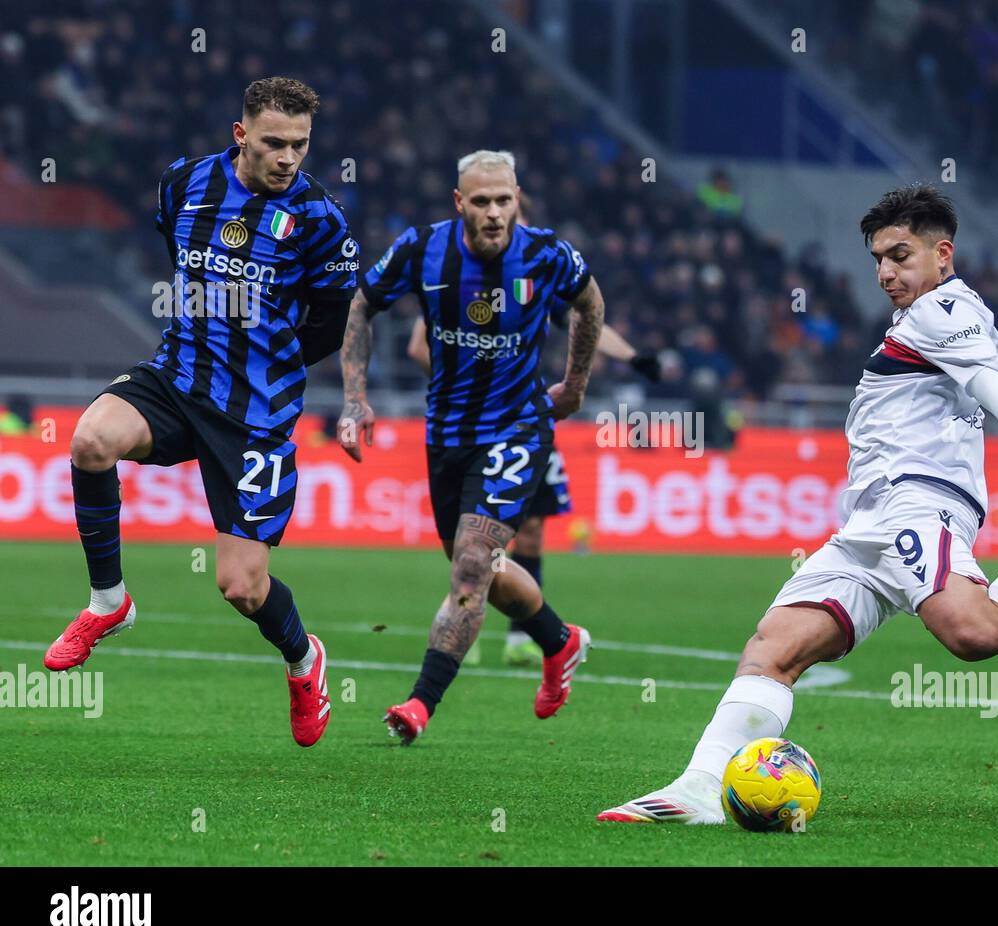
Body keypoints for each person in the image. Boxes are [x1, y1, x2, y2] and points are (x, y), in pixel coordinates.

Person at [598, 185, 998, 824]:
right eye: (878, 259)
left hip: (918, 503)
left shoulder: (945, 308)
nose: (886, 272)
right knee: (773, 649)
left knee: (975, 633)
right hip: (867, 522)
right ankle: (699, 789)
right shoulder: (917, 322)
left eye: (900, 255)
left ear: (943, 255)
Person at [46, 77, 356, 747]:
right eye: (274, 143)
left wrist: (267, 364)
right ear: (241, 134)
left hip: (256, 416)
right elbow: (183, 262)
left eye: (300, 146)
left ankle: (304, 661)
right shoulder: (184, 182)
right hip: (178, 377)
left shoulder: (321, 219)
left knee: (242, 586)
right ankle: (109, 602)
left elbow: (332, 322)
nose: (287, 158)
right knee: (91, 440)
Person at [337, 150, 604, 744]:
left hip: (517, 427)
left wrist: (576, 384)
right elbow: (363, 304)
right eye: (480, 201)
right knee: (487, 572)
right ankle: (560, 642)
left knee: (471, 565)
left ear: (517, 199)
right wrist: (355, 397)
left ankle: (419, 704)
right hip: (447, 437)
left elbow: (590, 304)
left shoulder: (547, 253)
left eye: (503, 200)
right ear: (460, 203)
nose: (493, 213)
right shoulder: (420, 249)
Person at [402, 190, 661, 666]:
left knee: (534, 528)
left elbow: (588, 318)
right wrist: (461, 388)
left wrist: (633, 356)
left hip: (524, 422)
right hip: (476, 427)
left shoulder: (533, 285)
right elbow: (420, 347)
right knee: (470, 543)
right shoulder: (450, 282)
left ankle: (523, 635)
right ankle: (471, 627)